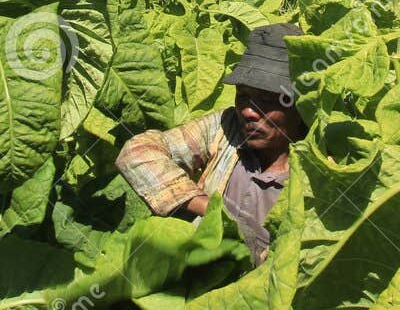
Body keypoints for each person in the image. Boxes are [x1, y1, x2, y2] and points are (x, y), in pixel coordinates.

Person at [115, 23, 304, 264]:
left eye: (266, 100)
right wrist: (215, 212)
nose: (248, 111)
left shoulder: (323, 167)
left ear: (299, 104)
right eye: (243, 96)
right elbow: (137, 153)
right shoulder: (226, 128)